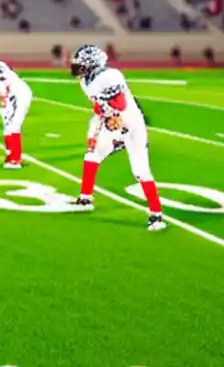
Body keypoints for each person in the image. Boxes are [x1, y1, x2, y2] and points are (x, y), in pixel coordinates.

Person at [67, 44, 166, 232]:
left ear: (92, 64)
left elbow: (119, 104)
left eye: (81, 65)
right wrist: (96, 128)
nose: (77, 69)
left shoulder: (110, 76)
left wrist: (109, 114)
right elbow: (98, 108)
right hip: (111, 123)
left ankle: (156, 214)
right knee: (92, 154)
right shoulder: (85, 82)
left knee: (140, 170)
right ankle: (85, 198)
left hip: (131, 125)